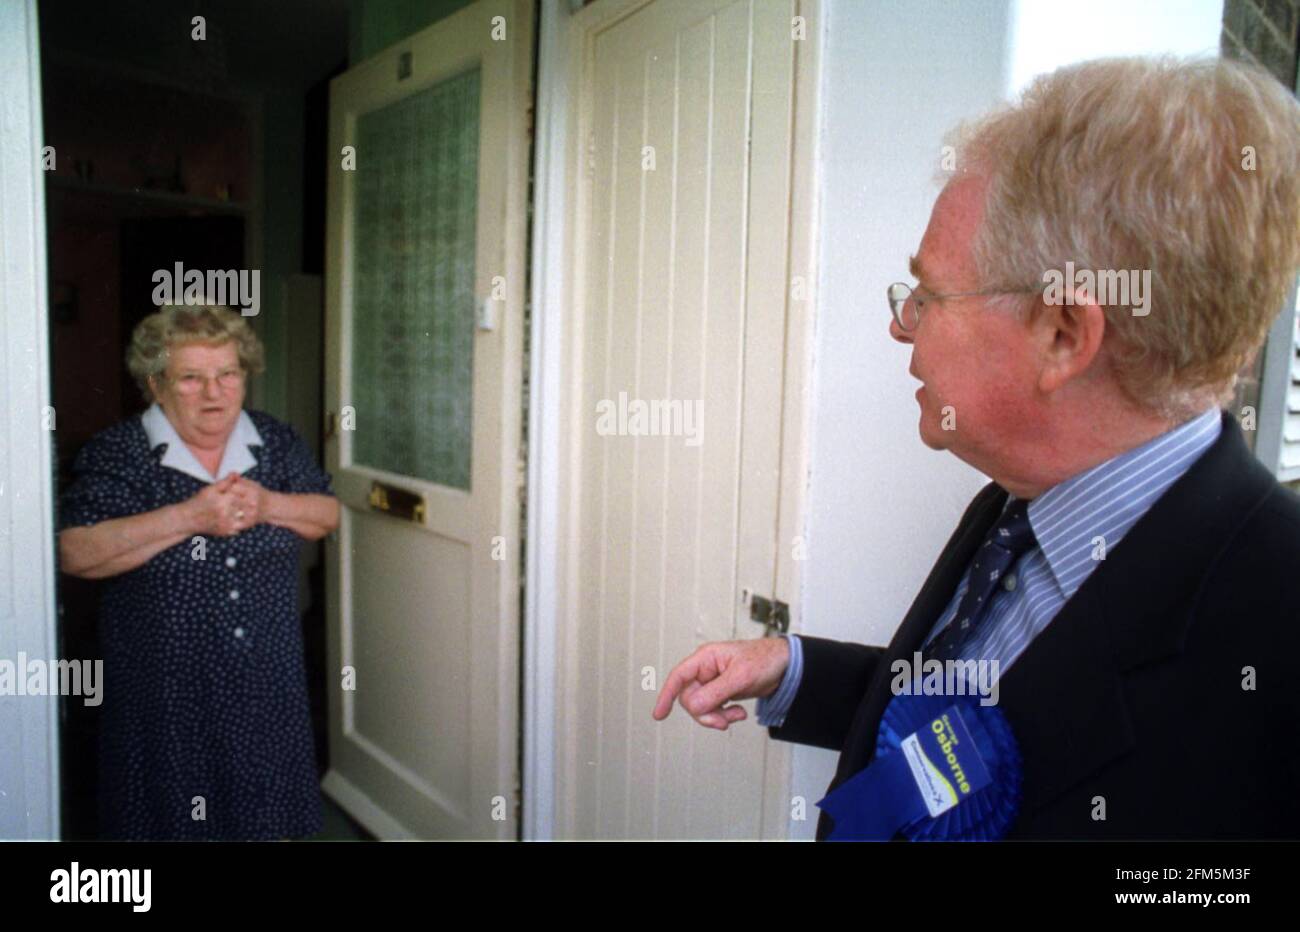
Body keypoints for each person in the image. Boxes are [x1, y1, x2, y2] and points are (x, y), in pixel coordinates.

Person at [653, 56, 1300, 839]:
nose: (901, 323)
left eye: (927, 294)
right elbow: (985, 715)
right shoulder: (1023, 497)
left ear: (1063, 334)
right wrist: (796, 671)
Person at [58, 303, 340, 840]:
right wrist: (190, 516)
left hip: (265, 678)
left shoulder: (274, 442)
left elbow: (325, 514)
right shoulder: (121, 452)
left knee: (261, 814)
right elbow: (76, 551)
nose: (215, 393)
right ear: (156, 383)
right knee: (169, 815)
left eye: (227, 374)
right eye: (191, 378)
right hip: (164, 687)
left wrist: (265, 506)